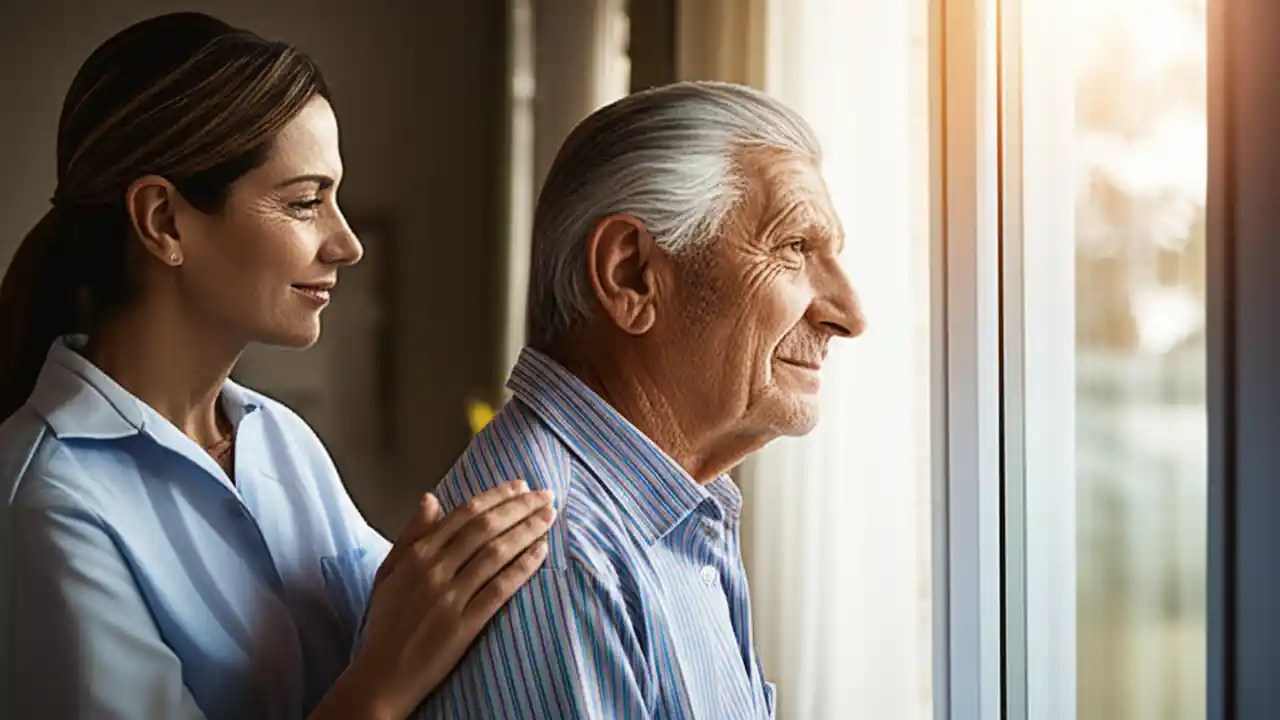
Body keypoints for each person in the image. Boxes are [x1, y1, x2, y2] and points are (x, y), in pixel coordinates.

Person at [0, 13, 555, 719]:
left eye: (335, 198)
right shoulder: (44, 503)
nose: (347, 243)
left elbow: (432, 623)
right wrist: (379, 686)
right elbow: (394, 658)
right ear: (164, 221)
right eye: (303, 202)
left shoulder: (279, 440)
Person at [406, 82, 865, 719]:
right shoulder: (564, 557)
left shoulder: (669, 515)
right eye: (793, 250)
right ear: (631, 275)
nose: (850, 316)